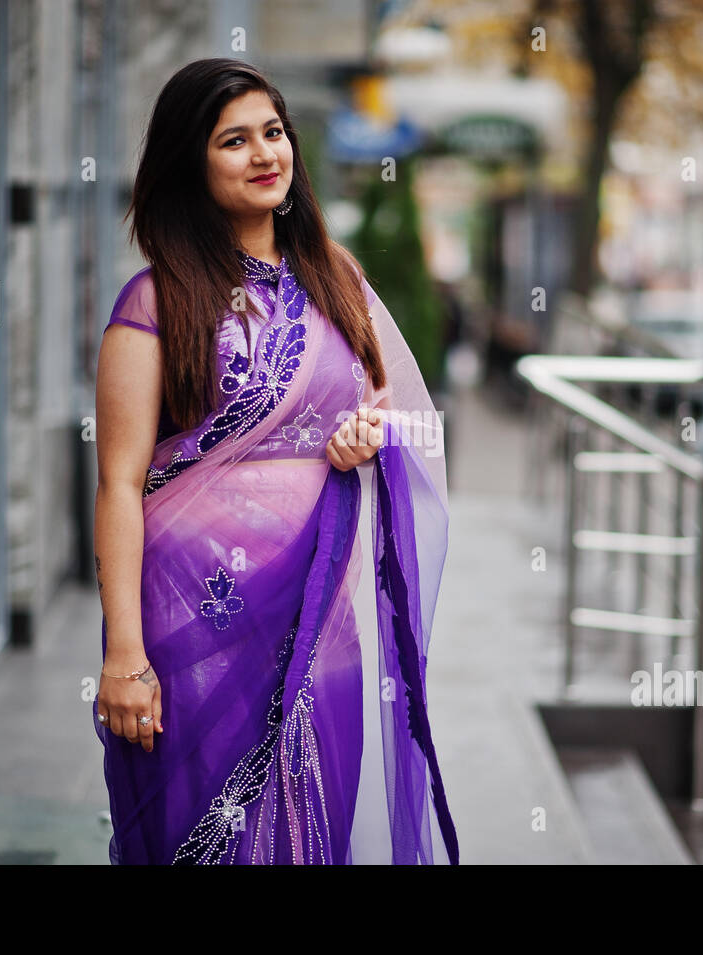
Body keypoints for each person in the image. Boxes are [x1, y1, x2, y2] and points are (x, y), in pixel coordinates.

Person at [91, 58, 459, 865]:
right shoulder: (154, 301)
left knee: (311, 827)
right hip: (190, 623)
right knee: (197, 835)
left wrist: (362, 443)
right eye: (234, 141)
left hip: (318, 622)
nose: (265, 153)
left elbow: (388, 415)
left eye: (274, 132)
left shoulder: (337, 275)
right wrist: (124, 653)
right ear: (192, 162)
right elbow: (118, 482)